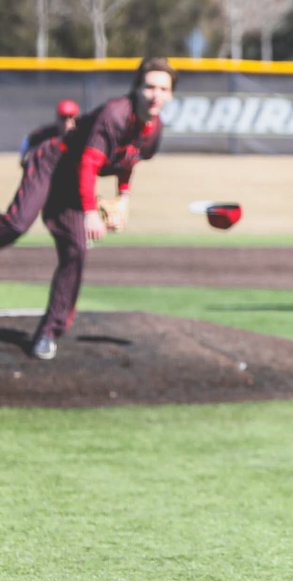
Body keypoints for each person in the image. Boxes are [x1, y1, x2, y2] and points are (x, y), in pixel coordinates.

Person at [0, 58, 175, 361]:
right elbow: (89, 164)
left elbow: (128, 163)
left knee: (77, 249)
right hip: (53, 162)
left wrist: (124, 197)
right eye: (149, 87)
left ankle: (48, 332)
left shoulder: (154, 131)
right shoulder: (115, 114)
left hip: (75, 184)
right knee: (17, 225)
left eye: (163, 88)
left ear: (171, 94)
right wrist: (91, 212)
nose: (155, 94)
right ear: (137, 89)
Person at [18, 99, 80, 166]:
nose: (66, 122)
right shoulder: (45, 134)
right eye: (63, 118)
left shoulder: (83, 134)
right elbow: (28, 141)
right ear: (57, 118)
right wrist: (24, 159)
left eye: (71, 117)